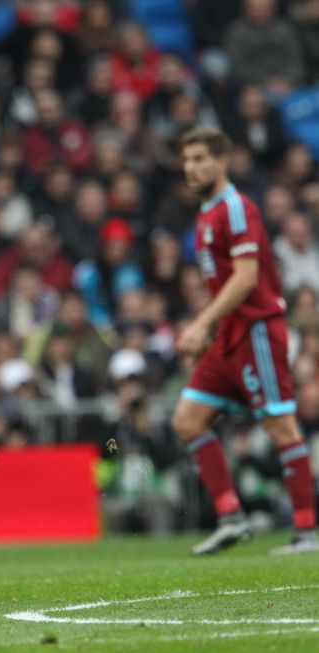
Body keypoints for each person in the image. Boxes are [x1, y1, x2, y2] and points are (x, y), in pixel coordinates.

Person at [172, 127, 317, 556]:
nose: (191, 168)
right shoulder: (205, 213)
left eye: (200, 159)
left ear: (223, 161)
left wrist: (200, 324)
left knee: (280, 426)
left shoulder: (236, 208)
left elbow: (247, 277)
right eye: (187, 160)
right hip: (230, 337)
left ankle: (307, 532)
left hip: (257, 331)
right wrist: (213, 329)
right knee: (186, 420)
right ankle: (231, 517)